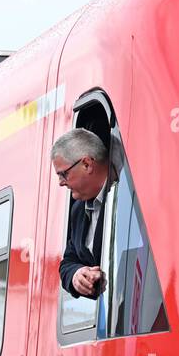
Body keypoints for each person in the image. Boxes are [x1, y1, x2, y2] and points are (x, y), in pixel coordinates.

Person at [52, 127, 116, 299]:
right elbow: (68, 262)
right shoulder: (78, 210)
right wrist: (77, 274)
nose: (60, 183)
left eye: (63, 174)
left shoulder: (129, 196)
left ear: (87, 164)